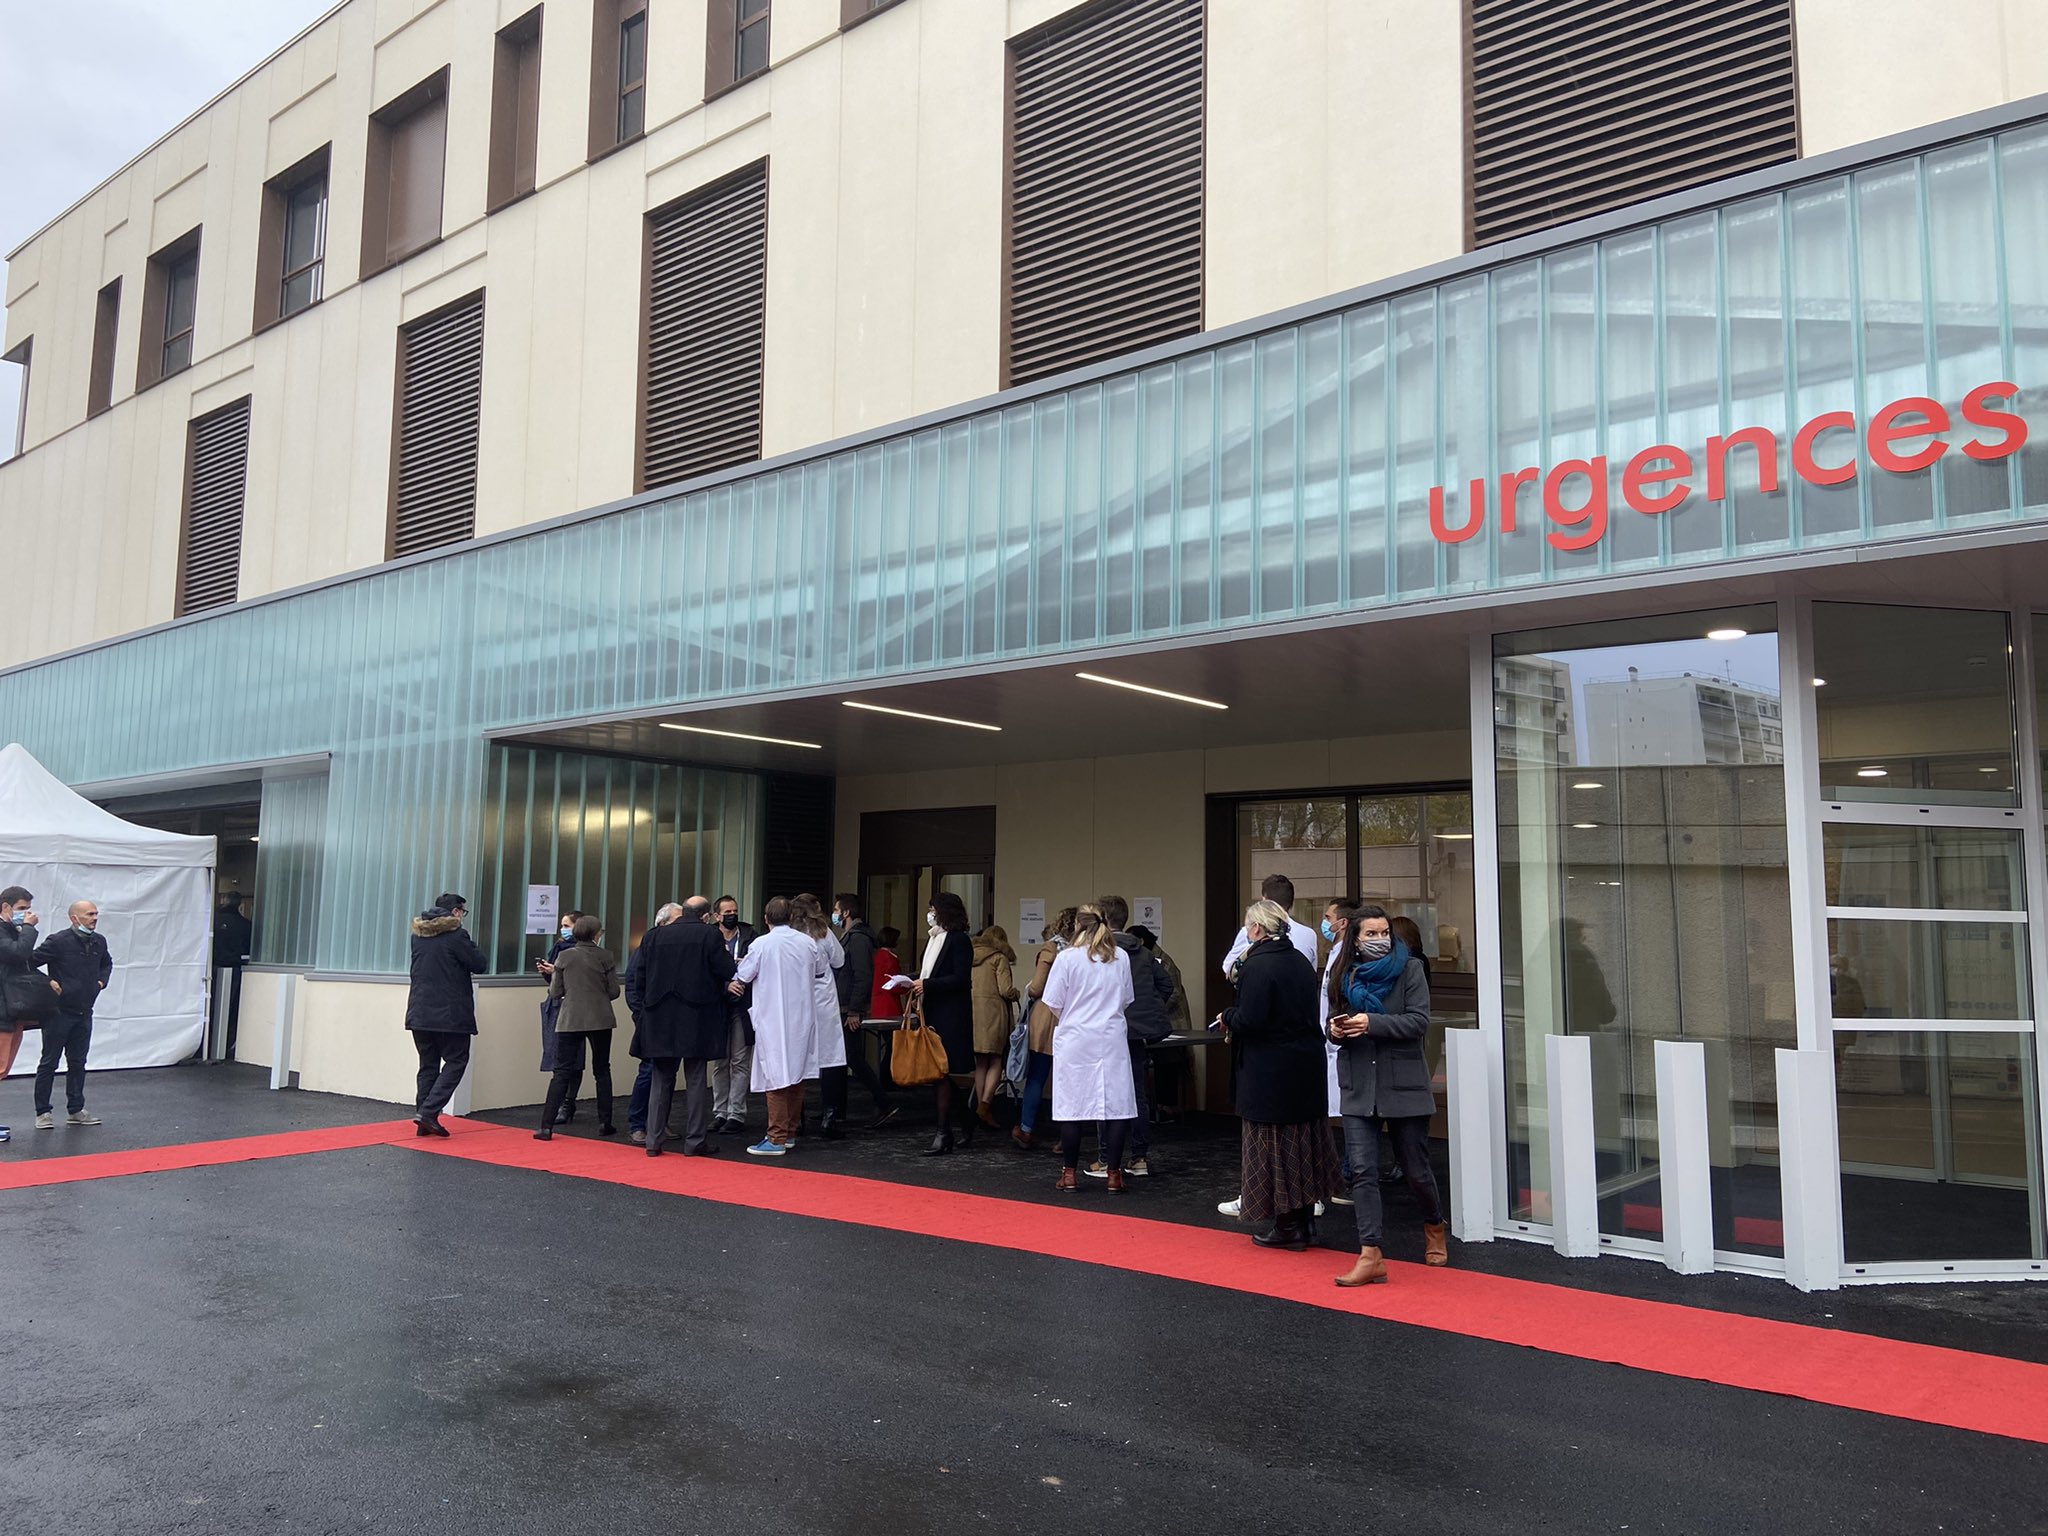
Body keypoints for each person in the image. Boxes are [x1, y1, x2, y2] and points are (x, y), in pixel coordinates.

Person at [1328, 903, 1447, 1283]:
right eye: (1371, 934)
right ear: (1356, 939)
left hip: (1403, 1084)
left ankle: (1434, 1225)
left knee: (1415, 1170)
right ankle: (1370, 1253)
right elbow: (1330, 1022)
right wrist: (1336, 1031)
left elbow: (1418, 1021)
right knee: (1362, 1170)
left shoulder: (1410, 969)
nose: (1379, 939)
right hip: (1359, 1083)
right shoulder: (1343, 974)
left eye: (1384, 933)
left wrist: (1371, 1023)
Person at [1221, 898, 1341, 1249]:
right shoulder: (1300, 962)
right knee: (1303, 1146)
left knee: (1272, 1148)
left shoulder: (1258, 967)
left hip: (1270, 1073)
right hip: (1304, 1068)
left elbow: (1252, 1019)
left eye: (1247, 926)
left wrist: (1228, 1016)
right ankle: (1303, 1221)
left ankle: (1287, 1226)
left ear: (1256, 928)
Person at [1042, 905, 1136, 1193]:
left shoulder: (1067, 959)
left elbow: (1053, 1001)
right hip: (1111, 1037)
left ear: (1076, 928)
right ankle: (1114, 1175)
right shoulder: (1120, 957)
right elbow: (1126, 999)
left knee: (1072, 1107)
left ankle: (1069, 1174)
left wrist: (1075, 1017)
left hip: (1076, 1039)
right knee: (1117, 1106)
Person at [637, 896, 738, 1156]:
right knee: (695, 1079)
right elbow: (726, 971)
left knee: (661, 1078)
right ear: (706, 916)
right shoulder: (709, 935)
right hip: (697, 1015)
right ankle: (695, 1141)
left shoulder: (653, 936)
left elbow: (641, 976)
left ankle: (653, 1140)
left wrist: (641, 1012)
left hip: (659, 1015)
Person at [1087, 895, 1175, 1180]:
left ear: (1102, 919)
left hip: (1107, 1032)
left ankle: (1104, 1158)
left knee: (1105, 1095)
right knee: (1137, 1095)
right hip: (1136, 1033)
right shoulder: (1145, 953)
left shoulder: (1098, 953)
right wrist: (1148, 1008)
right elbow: (1166, 984)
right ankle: (1139, 1158)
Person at [729, 897, 823, 1155]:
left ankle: (776, 1137)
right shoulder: (807, 942)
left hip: (773, 1018)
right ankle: (790, 1132)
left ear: (766, 918)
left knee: (775, 1076)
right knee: (797, 1075)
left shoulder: (762, 944)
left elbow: (743, 976)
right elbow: (821, 971)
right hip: (802, 1018)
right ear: (791, 916)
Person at [404, 892, 488, 1137]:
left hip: (419, 1011)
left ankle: (424, 1121)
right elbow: (480, 964)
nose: (463, 916)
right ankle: (428, 1113)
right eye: (463, 911)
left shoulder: (417, 936)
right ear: (455, 912)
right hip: (451, 1014)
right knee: (457, 1060)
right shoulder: (457, 936)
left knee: (428, 1065)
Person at [536, 915, 619, 1139]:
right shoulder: (606, 956)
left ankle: (546, 1126)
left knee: (561, 1071)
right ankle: (605, 1122)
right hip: (600, 1018)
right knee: (602, 1069)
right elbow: (614, 992)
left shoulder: (564, 956)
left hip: (570, 1018)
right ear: (596, 934)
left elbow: (555, 992)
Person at [31, 899, 112, 1129]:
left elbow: (107, 963)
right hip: (59, 1012)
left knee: (78, 1062)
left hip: (84, 1011)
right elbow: (28, 962)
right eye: (89, 914)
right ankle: (43, 1112)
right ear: (74, 918)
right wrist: (48, 981)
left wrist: (101, 982)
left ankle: (75, 1109)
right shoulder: (58, 941)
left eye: (96, 914)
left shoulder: (99, 941)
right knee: (49, 1062)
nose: (94, 918)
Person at [910, 891, 975, 1155]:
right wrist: (908, 980)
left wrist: (926, 984)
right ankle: (965, 1121)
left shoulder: (959, 940)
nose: (930, 913)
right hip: (931, 1011)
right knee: (940, 1073)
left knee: (940, 1072)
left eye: (932, 909)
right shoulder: (934, 939)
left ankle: (943, 1132)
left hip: (950, 1014)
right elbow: (929, 972)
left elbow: (961, 978)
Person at [1013, 907, 1075, 1150]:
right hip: (1073, 1017)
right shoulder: (1084, 950)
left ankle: (1026, 1129)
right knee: (1068, 1080)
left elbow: (1038, 988)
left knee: (1037, 1076)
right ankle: (1066, 1136)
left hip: (1048, 1019)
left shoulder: (1051, 948)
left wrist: (1029, 987)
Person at [625, 902, 686, 1143]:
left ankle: (659, 1122)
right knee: (650, 1069)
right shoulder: (647, 946)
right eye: (677, 920)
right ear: (663, 923)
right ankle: (638, 1123)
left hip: (672, 1018)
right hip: (650, 1019)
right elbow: (633, 982)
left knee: (668, 1072)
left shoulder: (675, 948)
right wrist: (639, 1014)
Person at [832, 895, 895, 1128]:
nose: (835, 914)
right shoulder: (852, 937)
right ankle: (837, 1108)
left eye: (837, 910)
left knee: (852, 1057)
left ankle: (883, 1101)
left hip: (850, 1007)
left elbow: (862, 975)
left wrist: (855, 1010)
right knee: (845, 1057)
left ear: (846, 913)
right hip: (846, 1005)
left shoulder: (857, 939)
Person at [790, 895, 848, 1137]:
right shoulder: (824, 932)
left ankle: (797, 1119)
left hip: (798, 997)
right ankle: (829, 1118)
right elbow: (839, 960)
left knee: (798, 1059)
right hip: (823, 997)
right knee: (831, 1058)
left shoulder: (790, 934)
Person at [0, 886, 53, 1144]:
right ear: (6, 907)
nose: (27, 914)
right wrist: (30, 928)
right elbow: (17, 953)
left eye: (28, 909)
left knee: (3, 1067)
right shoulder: (3, 931)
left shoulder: (11, 931)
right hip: (2, 1009)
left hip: (13, 1009)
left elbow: (25, 962)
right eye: (21, 908)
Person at [709, 895, 758, 1136]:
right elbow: (704, 970)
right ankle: (719, 1111)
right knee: (720, 1061)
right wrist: (724, 985)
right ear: (717, 916)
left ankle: (736, 1113)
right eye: (727, 911)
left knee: (740, 1059)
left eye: (735, 910)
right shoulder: (709, 937)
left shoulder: (750, 936)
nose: (732, 915)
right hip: (717, 1004)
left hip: (742, 1004)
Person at [536, 909, 585, 1124]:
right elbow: (555, 984)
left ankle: (568, 1102)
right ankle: (559, 1104)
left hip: (575, 1006)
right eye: (562, 925)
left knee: (573, 1058)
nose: (563, 930)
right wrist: (548, 972)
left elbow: (579, 978)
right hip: (556, 1004)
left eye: (567, 925)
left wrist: (556, 971)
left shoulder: (583, 950)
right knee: (557, 1057)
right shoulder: (557, 948)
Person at [968, 923, 1019, 1128]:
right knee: (996, 1059)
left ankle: (981, 1107)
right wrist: (1017, 994)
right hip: (994, 1014)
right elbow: (1005, 990)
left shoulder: (970, 957)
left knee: (981, 1062)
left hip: (973, 1013)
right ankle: (986, 1104)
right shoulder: (999, 958)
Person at [1221, 875, 1320, 976]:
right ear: (1291, 902)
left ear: (1264, 901)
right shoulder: (1309, 934)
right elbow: (1311, 972)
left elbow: (1229, 967)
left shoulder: (1252, 929)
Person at [212, 891, 254, 1059]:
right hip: (235, 969)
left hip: (211, 968)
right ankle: (223, 1044)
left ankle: (207, 1043)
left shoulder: (211, 921)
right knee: (230, 1008)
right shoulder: (245, 925)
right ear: (240, 904)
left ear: (223, 900)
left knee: (210, 1006)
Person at [1131, 925, 1192, 1035]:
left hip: (1173, 1019)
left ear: (1141, 941)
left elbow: (1175, 993)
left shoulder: (1163, 961)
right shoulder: (1145, 958)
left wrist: (1154, 1009)